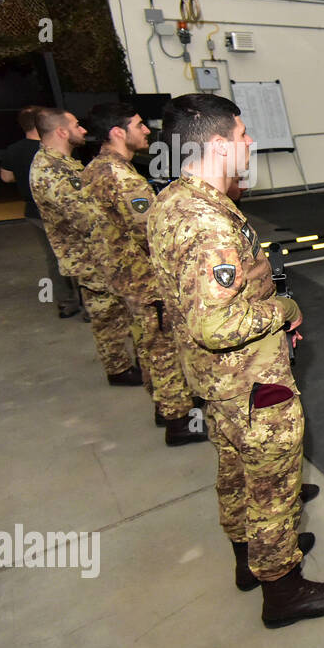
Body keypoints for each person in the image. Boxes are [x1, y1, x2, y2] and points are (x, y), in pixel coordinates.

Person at [148, 93, 324, 628]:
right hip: (249, 380)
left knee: (237, 468)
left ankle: (250, 560)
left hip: (216, 380)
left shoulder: (174, 200)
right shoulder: (209, 225)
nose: (249, 143)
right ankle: (283, 589)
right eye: (241, 135)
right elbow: (214, 325)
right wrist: (283, 308)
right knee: (273, 485)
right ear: (218, 144)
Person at [81, 102, 206, 446]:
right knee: (164, 346)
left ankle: (164, 406)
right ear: (117, 132)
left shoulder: (95, 168)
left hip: (122, 275)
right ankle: (179, 421)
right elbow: (152, 232)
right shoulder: (122, 178)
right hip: (144, 279)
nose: (147, 130)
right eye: (139, 125)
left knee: (148, 343)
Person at [28, 108, 138, 384]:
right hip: (89, 257)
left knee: (114, 312)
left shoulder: (64, 163)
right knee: (106, 314)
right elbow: (89, 216)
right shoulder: (50, 171)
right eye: (77, 125)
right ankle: (119, 370)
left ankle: (120, 364)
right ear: (62, 131)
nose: (84, 130)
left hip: (98, 253)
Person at [2, 105, 80, 317]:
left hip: (33, 213)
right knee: (78, 255)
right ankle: (88, 302)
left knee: (53, 258)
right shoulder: (53, 152)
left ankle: (66, 302)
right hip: (61, 214)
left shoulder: (14, 150)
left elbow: (6, 177)